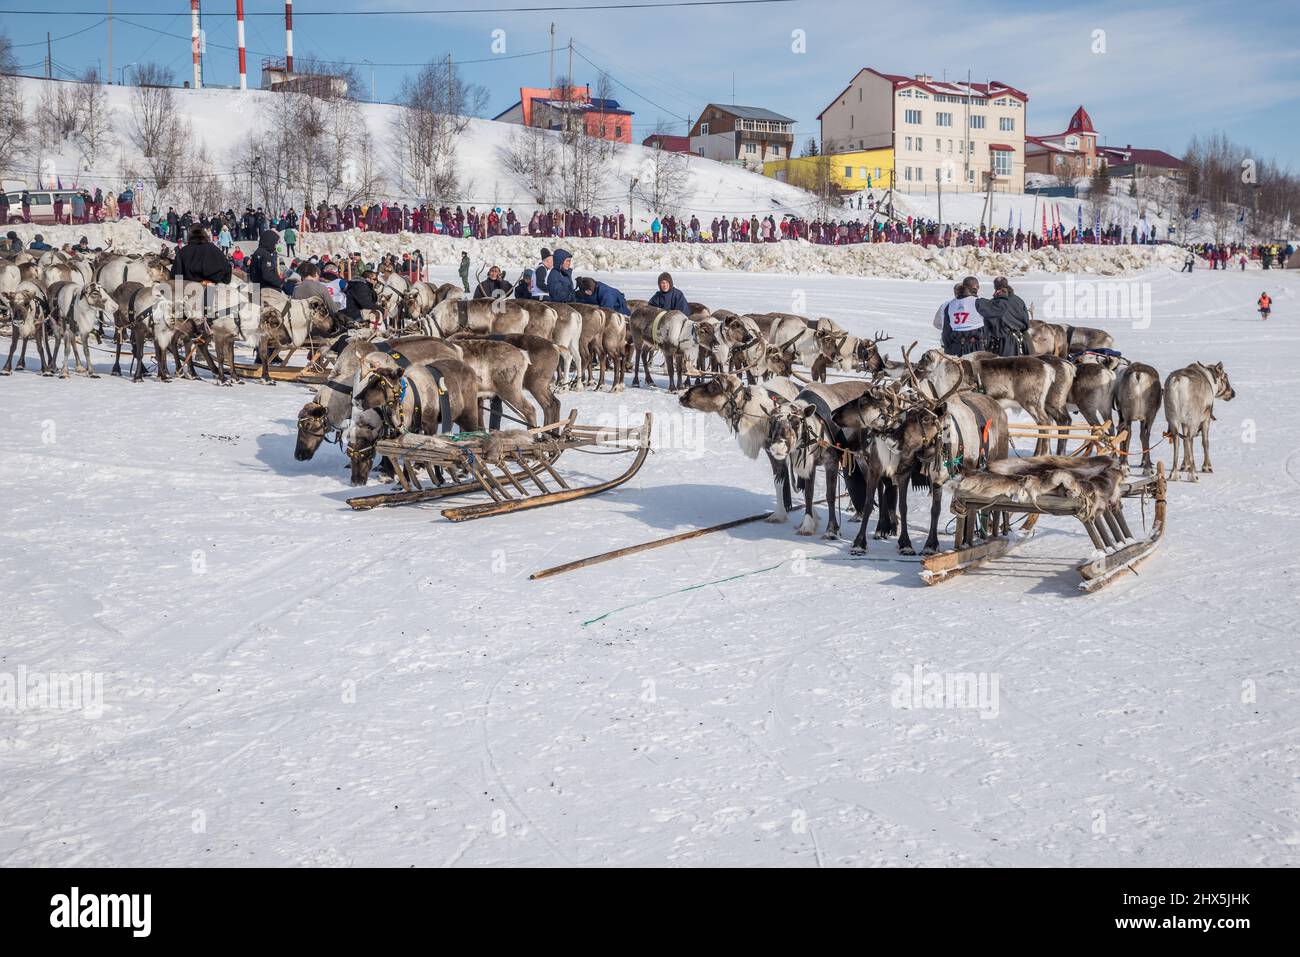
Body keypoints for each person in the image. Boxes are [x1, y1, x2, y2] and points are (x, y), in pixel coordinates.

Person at [939, 277, 986, 356]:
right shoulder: (976, 302)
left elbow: (940, 325)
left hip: (954, 345)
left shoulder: (948, 305)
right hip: (975, 346)